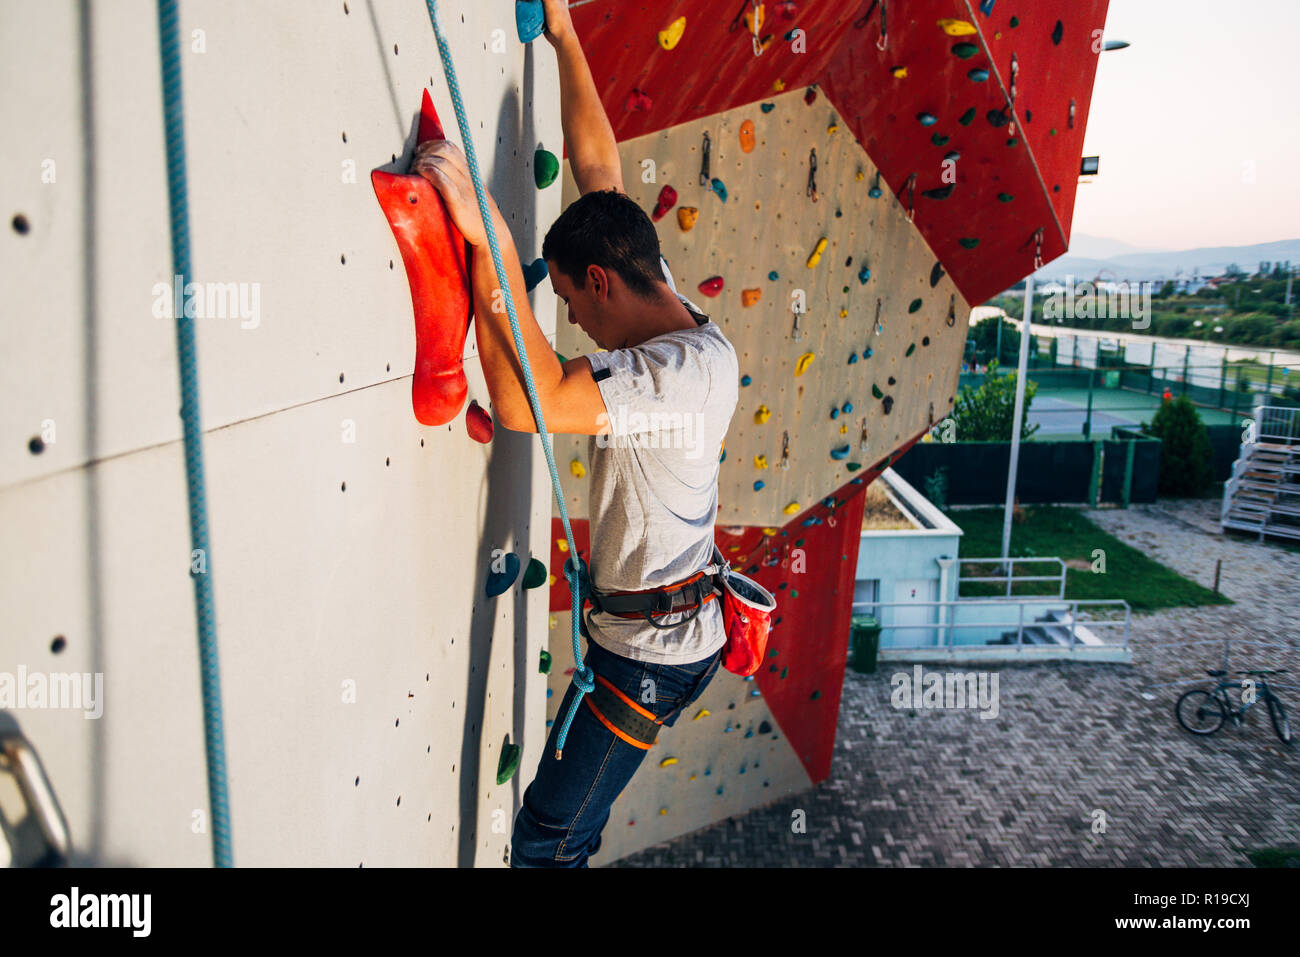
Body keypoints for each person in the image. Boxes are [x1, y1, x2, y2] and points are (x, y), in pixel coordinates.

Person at [413, 0, 738, 867]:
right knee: (559, 826)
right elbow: (599, 170)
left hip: (650, 657)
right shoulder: (653, 290)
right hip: (652, 628)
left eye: (567, 302)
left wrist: (485, 239)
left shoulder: (675, 377)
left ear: (602, 279)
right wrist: (563, 32)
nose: (575, 323)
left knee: (550, 839)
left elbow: (529, 402)